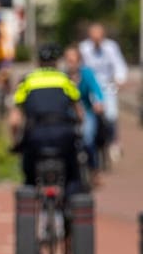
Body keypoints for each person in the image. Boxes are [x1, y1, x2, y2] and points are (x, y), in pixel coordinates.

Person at [8, 43, 84, 193]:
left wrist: (15, 142)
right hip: (64, 134)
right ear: (57, 62)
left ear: (38, 62)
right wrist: (79, 127)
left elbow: (15, 120)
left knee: (28, 172)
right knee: (73, 173)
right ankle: (70, 205)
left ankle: (29, 199)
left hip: (36, 135)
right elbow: (80, 113)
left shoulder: (27, 81)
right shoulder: (65, 80)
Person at [79, 23, 128, 163]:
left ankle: (114, 141)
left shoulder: (111, 47)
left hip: (107, 86)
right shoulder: (84, 48)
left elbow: (119, 65)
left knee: (111, 114)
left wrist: (120, 79)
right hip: (90, 87)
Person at [62, 43, 106, 177]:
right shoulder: (62, 77)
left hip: (87, 112)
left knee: (87, 139)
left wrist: (98, 102)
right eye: (68, 60)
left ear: (79, 61)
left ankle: (94, 168)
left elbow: (96, 88)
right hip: (67, 114)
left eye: (73, 60)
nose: (71, 64)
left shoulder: (86, 74)